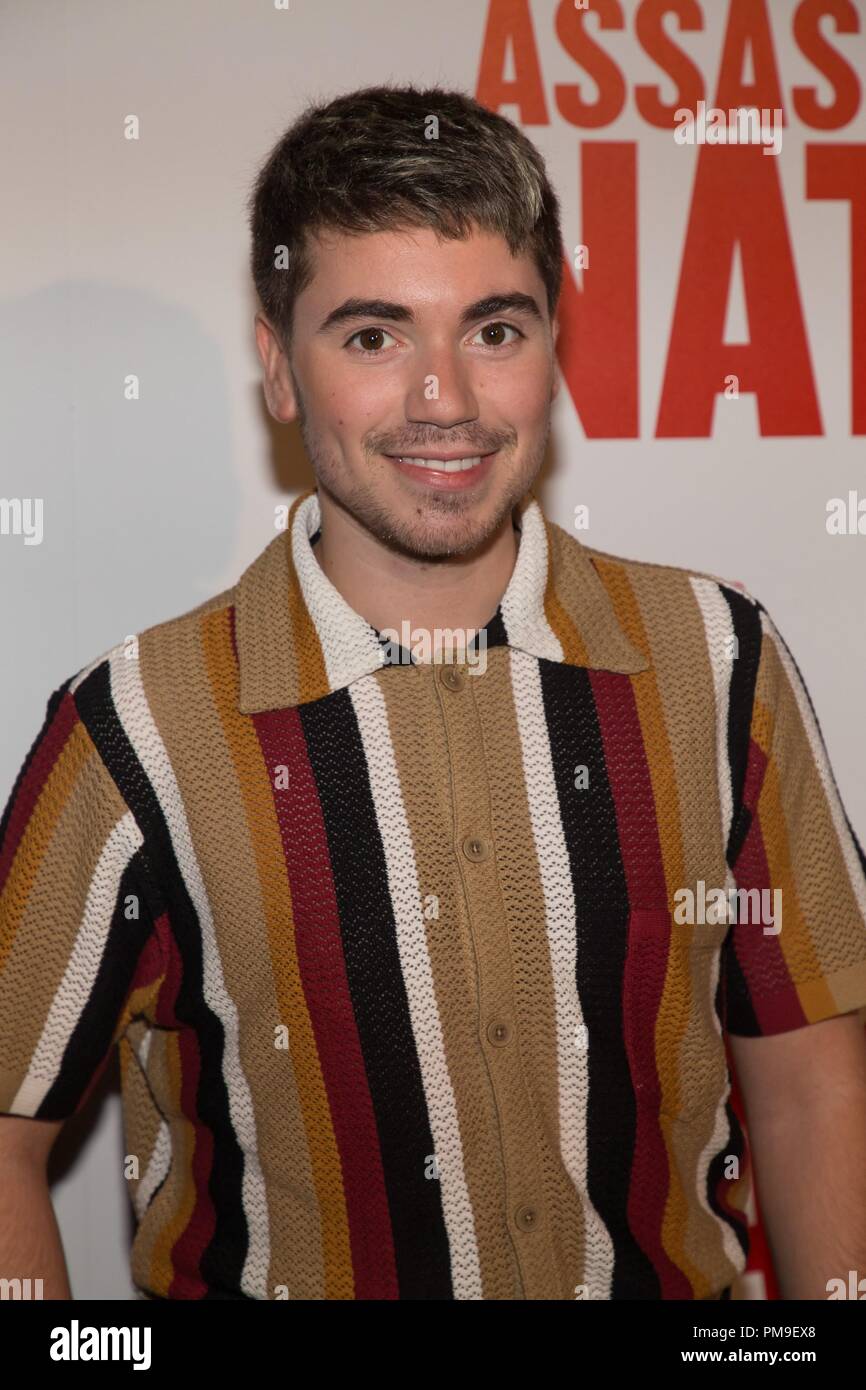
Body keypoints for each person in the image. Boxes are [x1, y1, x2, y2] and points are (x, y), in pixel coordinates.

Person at [2, 83, 866, 1303]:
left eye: (493, 331)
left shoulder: (716, 658)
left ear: (553, 345)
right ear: (279, 369)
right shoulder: (131, 728)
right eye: (372, 335)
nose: (444, 399)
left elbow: (808, 1071)